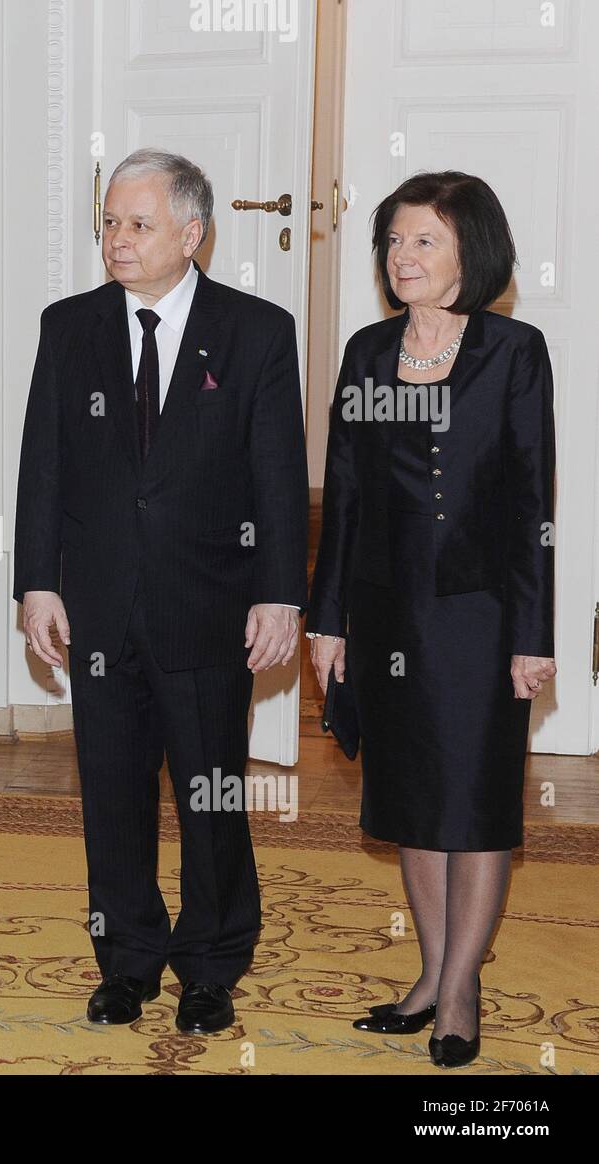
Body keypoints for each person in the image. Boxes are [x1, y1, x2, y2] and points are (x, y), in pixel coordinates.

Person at [14, 149, 308, 1031]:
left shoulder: (257, 331)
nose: (116, 240)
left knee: (211, 790)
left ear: (192, 233)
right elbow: (44, 468)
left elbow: (279, 477)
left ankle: (210, 963)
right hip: (99, 604)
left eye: (137, 224)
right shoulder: (68, 328)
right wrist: (37, 585)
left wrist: (280, 593)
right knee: (110, 790)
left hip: (208, 605)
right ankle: (128, 958)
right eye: (108, 221)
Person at [306, 171, 556, 1069]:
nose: (402, 257)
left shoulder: (514, 353)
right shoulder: (369, 354)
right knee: (413, 798)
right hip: (388, 614)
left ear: (469, 255)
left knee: (477, 804)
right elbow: (349, 494)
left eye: (425, 242)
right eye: (395, 240)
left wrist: (534, 634)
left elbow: (534, 499)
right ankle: (427, 972)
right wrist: (326, 618)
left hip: (484, 617)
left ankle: (459, 991)